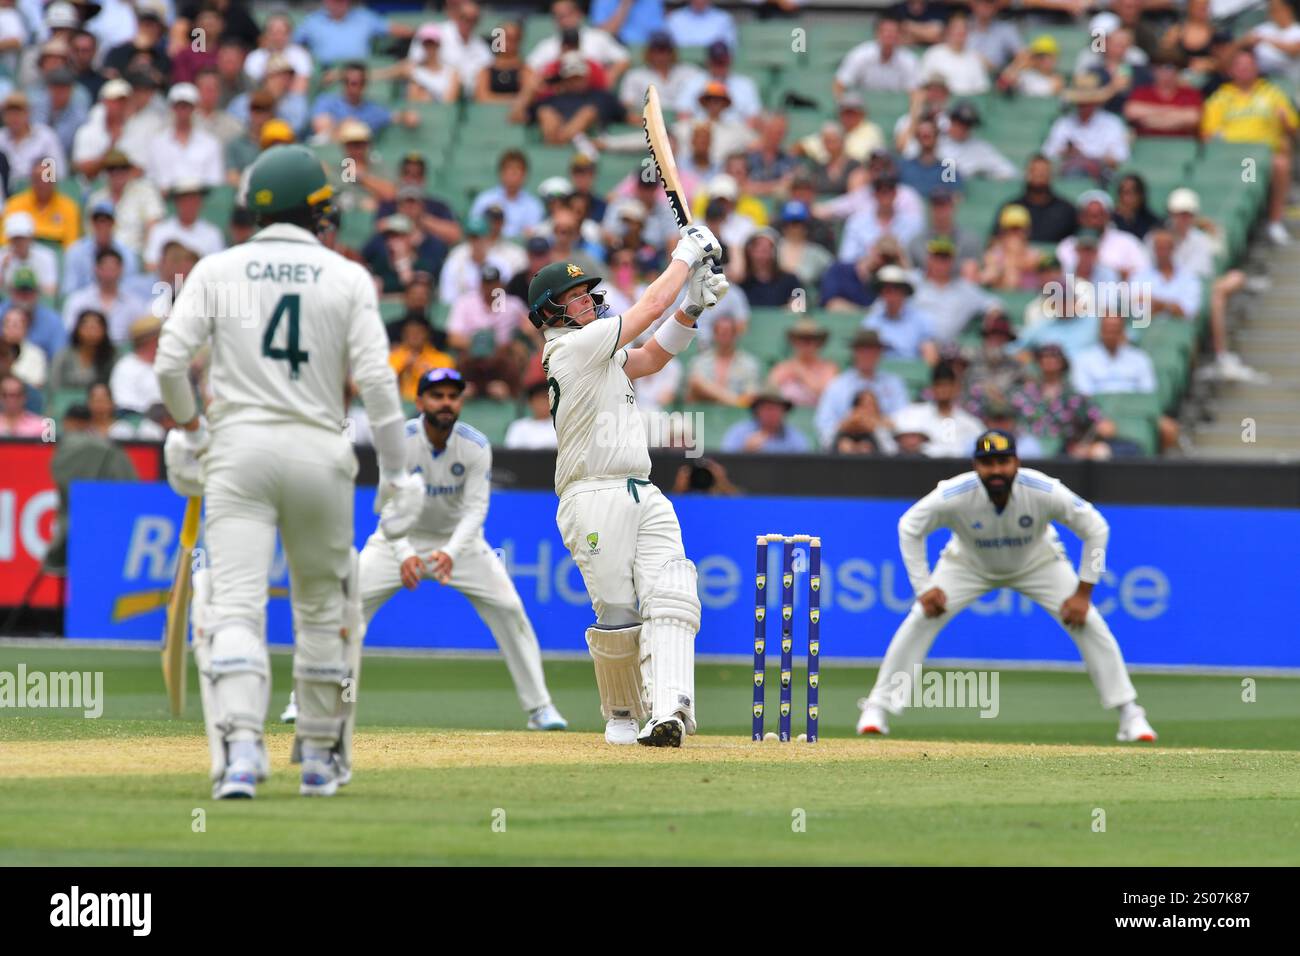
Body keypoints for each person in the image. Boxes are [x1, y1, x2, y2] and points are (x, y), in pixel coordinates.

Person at [154, 145, 424, 799]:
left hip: (238, 453)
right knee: (324, 607)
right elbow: (379, 387)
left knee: (237, 607)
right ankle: (321, 758)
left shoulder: (216, 268)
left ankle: (242, 751)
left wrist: (193, 431)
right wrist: (396, 473)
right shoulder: (347, 277)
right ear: (316, 211)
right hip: (318, 452)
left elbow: (168, 364)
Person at [282, 367, 568, 745]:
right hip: (395, 540)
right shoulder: (398, 441)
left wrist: (450, 553)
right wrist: (403, 553)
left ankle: (540, 708)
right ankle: (305, 701)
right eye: (437, 396)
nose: (446, 403)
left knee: (509, 609)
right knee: (344, 607)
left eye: (453, 396)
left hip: (459, 544)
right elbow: (386, 505)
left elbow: (475, 510)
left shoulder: (476, 445)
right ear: (420, 402)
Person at [527, 226, 727, 746]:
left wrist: (692, 310)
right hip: (591, 493)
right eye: (573, 298)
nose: (587, 302)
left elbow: (653, 357)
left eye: (586, 294)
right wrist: (685, 257)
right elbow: (646, 308)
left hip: (642, 488)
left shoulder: (599, 351)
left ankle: (669, 711)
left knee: (674, 593)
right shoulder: (570, 349)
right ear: (549, 313)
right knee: (618, 612)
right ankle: (620, 713)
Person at [855, 430, 1158, 743]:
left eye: (1003, 461)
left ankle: (1130, 714)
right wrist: (924, 587)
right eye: (988, 463)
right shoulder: (954, 493)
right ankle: (878, 707)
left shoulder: (1043, 489)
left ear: (1016, 462)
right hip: (967, 565)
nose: (996, 470)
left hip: (1038, 563)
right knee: (920, 618)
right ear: (976, 466)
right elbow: (909, 526)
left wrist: (1084, 592)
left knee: (1090, 623)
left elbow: (1096, 528)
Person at [1201, 47, 1299, 245]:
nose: (1245, 70)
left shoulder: (1272, 93)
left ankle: (1274, 222)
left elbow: (1293, 128)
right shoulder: (1221, 97)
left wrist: (1285, 122)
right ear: (1231, 70)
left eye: (1249, 65)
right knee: (1247, 170)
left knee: (1278, 164)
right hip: (1230, 155)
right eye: (1240, 66)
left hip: (1263, 155)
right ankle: (1246, 225)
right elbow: (1207, 134)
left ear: (1256, 68)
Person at [1073, 312, 1179, 451]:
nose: (1111, 334)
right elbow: (1083, 396)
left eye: (1115, 329)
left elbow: (1148, 394)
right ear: (1100, 331)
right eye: (1107, 329)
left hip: (1136, 413)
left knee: (1169, 428)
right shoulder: (1084, 359)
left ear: (1123, 331)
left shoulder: (1139, 358)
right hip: (1099, 415)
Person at [814, 328, 909, 446]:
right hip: (846, 445)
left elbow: (903, 421)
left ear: (880, 353)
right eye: (862, 350)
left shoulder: (894, 383)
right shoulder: (838, 385)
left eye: (872, 350)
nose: (867, 354)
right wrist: (851, 424)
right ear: (854, 352)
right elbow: (824, 426)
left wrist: (875, 422)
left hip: (884, 448)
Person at [890, 360, 984, 458]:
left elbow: (984, 445)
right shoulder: (914, 413)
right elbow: (890, 427)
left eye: (947, 385)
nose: (943, 390)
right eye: (939, 385)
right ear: (932, 388)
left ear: (956, 388)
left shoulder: (969, 422)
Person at [685, 312, 761, 406]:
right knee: (696, 381)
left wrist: (710, 393)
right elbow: (692, 394)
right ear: (714, 334)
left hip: (737, 416)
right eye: (721, 332)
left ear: (735, 335)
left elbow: (751, 397)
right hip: (706, 414)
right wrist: (736, 401)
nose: (725, 336)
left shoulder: (749, 364)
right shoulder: (699, 362)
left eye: (728, 333)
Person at [834, 16, 920, 96]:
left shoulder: (909, 60)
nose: (888, 35)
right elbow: (839, 84)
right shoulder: (860, 54)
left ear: (899, 35)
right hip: (863, 107)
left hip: (899, 108)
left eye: (893, 32)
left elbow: (916, 92)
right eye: (885, 31)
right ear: (877, 34)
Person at [767, 317, 838, 408]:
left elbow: (828, 394)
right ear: (794, 341)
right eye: (801, 338)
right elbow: (770, 393)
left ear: (819, 342)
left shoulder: (829, 368)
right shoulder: (782, 367)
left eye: (811, 339)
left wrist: (801, 372)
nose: (806, 343)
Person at [720, 387, 810, 453]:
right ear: (757, 411)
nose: (772, 413)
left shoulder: (795, 437)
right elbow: (726, 464)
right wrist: (745, 451)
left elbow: (803, 467)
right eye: (767, 408)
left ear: (784, 412)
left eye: (776, 409)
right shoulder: (739, 432)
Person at [48, 307, 116, 394]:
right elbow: (54, 386)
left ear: (104, 331)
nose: (91, 332)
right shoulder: (63, 356)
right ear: (78, 330)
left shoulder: (112, 357)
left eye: (96, 328)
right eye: (87, 327)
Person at [2, 211, 59, 296]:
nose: (18, 242)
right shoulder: (2, 256)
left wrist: (27, 286)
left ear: (31, 237)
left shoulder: (47, 256)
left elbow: (51, 291)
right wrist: (3, 270)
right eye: (15, 238)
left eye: (22, 238)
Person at [505, 378, 559, 449]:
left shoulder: (561, 427)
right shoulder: (518, 427)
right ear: (530, 402)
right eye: (539, 399)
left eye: (547, 398)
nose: (543, 403)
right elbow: (510, 456)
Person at [0, 371, 46, 436]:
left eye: (16, 395)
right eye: (5, 395)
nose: (10, 399)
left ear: (24, 397)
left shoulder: (41, 425)